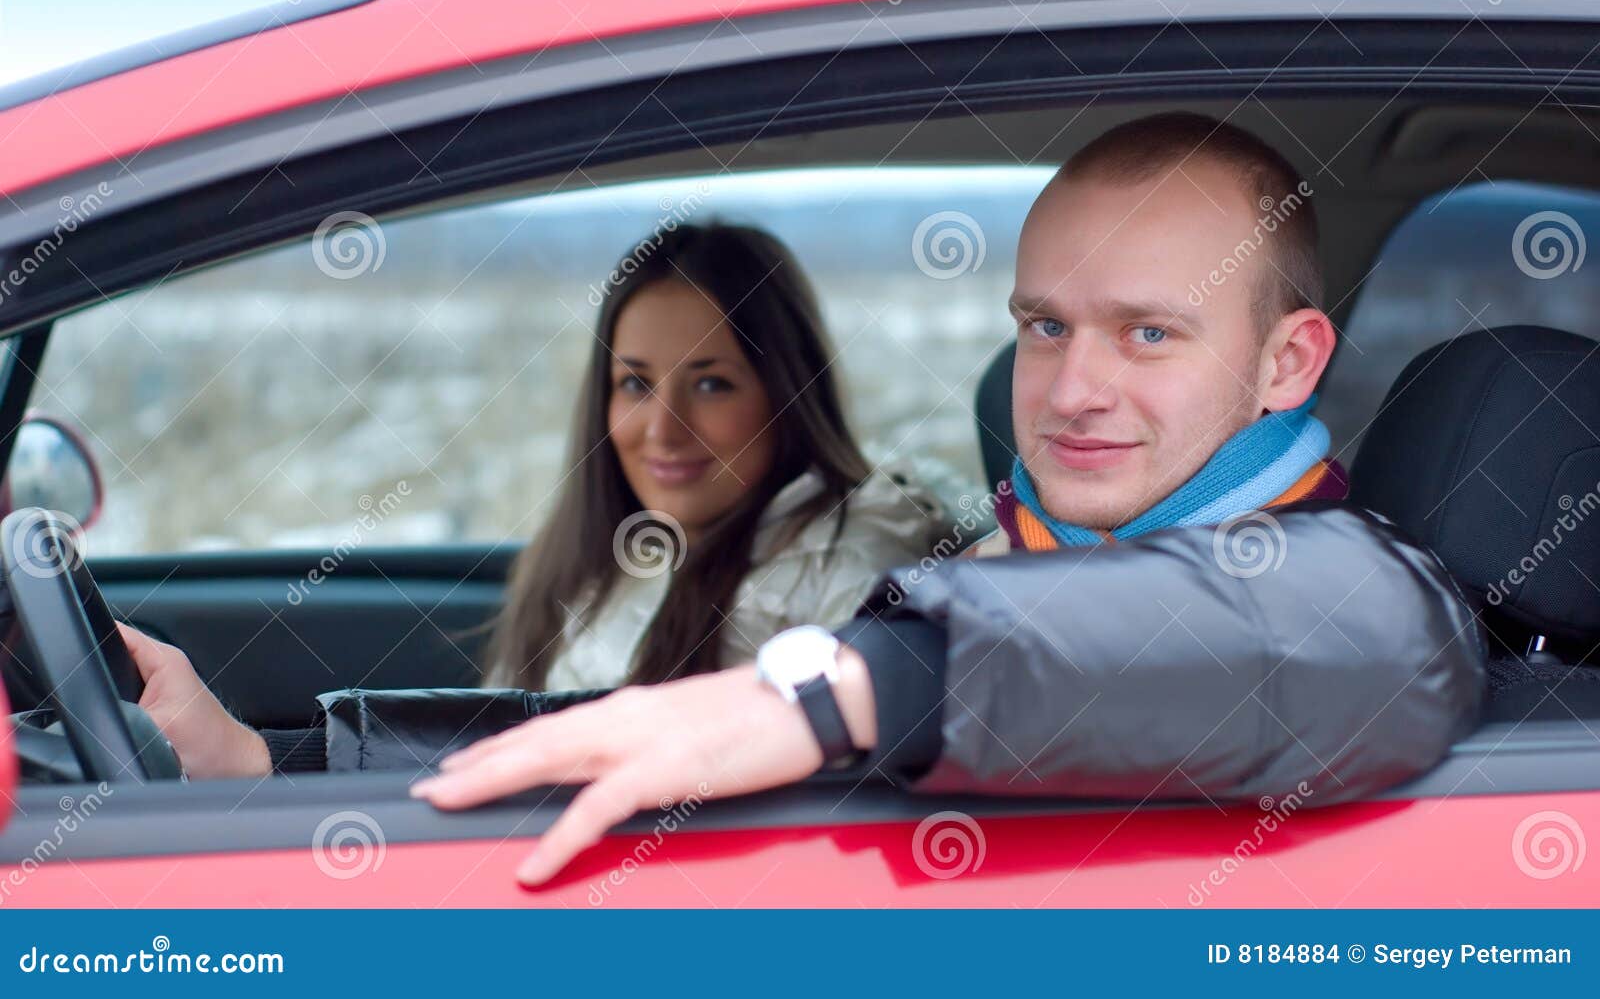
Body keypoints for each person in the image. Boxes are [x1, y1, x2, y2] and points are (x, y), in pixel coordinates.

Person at [401, 112, 1485, 887]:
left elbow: (1358, 635)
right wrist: (265, 774)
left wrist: (828, 689)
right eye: (1045, 326)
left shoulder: (1343, 578)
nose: (1070, 391)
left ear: (1287, 365)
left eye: (1147, 333)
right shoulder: (990, 565)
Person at [119, 222, 947, 776]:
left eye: (711, 381)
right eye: (634, 383)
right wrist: (262, 755)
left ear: (786, 391)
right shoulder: (625, 553)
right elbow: (532, 744)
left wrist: (262, 758)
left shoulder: (839, 580)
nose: (661, 428)